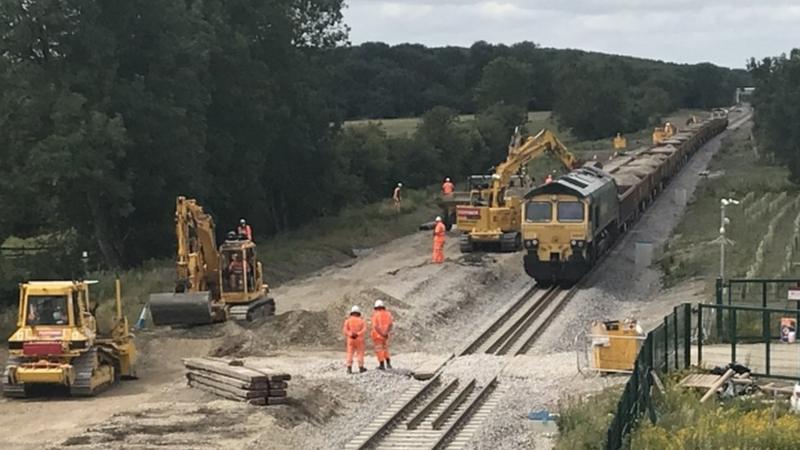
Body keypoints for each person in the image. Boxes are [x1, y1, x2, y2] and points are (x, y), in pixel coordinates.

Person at [342, 305, 367, 374]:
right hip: (359, 340)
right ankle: (361, 368)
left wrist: (350, 334)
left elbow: (345, 330)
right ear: (358, 313)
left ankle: (349, 368)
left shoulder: (348, 320)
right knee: (360, 353)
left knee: (350, 353)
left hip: (350, 339)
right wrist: (358, 334)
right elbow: (364, 329)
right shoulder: (361, 321)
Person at [370, 300, 394, 370]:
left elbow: (375, 326)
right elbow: (390, 325)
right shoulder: (388, 314)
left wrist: (381, 333)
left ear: (376, 307)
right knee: (385, 349)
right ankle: (388, 363)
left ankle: (381, 365)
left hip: (378, 336)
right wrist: (385, 333)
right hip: (385, 336)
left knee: (379, 350)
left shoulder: (375, 315)